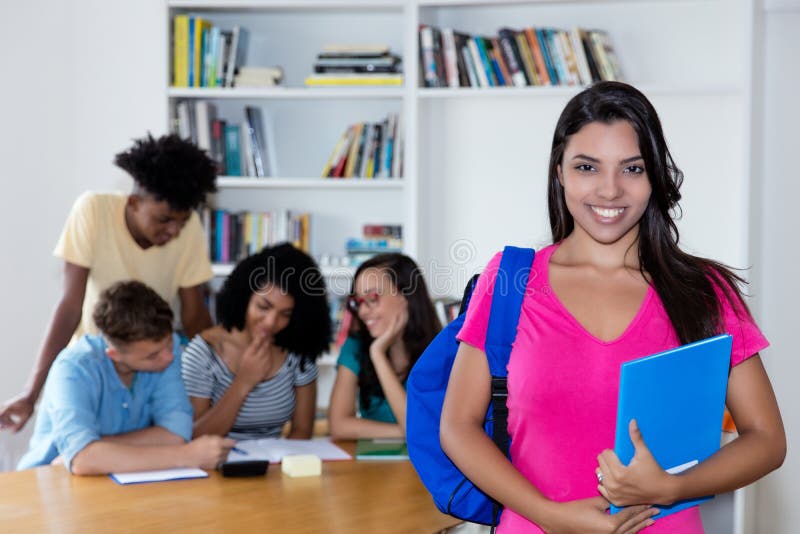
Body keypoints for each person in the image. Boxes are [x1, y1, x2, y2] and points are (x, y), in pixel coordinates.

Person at [439, 81, 786, 533]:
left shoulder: (704, 291)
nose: (609, 190)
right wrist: (549, 516)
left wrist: (671, 488)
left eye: (632, 169)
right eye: (587, 166)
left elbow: (767, 440)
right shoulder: (510, 281)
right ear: (559, 170)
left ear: (655, 175)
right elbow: (457, 426)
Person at [1, 133, 218, 433]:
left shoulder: (189, 230)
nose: (174, 231)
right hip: (93, 368)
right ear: (133, 202)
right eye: (164, 220)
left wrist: (222, 375)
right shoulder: (93, 211)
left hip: (150, 372)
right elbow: (69, 307)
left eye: (181, 221)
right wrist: (31, 394)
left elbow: (195, 316)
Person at [17, 281, 233, 474]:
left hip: (123, 478)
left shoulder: (168, 349)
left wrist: (99, 451)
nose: (169, 357)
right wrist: (186, 456)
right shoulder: (73, 369)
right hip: (46, 481)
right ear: (115, 354)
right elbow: (83, 461)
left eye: (168, 344)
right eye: (153, 355)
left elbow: (175, 434)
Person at [182, 243, 331, 440]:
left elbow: (302, 431)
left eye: (285, 314)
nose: (271, 323)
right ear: (244, 298)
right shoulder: (204, 351)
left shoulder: (297, 350)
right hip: (215, 465)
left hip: (274, 464)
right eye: (263, 307)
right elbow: (192, 436)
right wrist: (244, 382)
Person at [329, 253, 441, 439]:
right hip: (376, 466)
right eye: (358, 302)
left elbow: (419, 428)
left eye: (372, 298)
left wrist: (412, 430)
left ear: (406, 296)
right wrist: (378, 353)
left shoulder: (439, 351)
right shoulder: (355, 346)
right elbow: (338, 425)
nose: (363, 312)